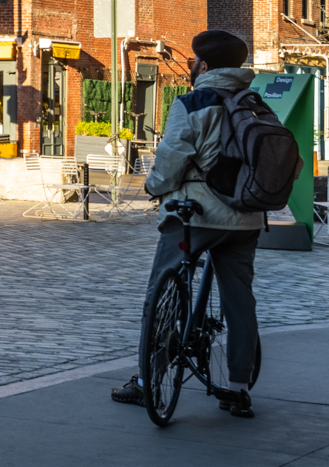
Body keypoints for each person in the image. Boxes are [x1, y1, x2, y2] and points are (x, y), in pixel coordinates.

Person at [113, 30, 265, 418]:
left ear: (205, 66)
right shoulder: (256, 104)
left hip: (195, 216)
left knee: (162, 291)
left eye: (194, 61)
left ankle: (148, 381)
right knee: (239, 301)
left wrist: (152, 186)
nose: (191, 66)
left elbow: (171, 159)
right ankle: (238, 387)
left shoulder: (192, 103)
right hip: (246, 217)